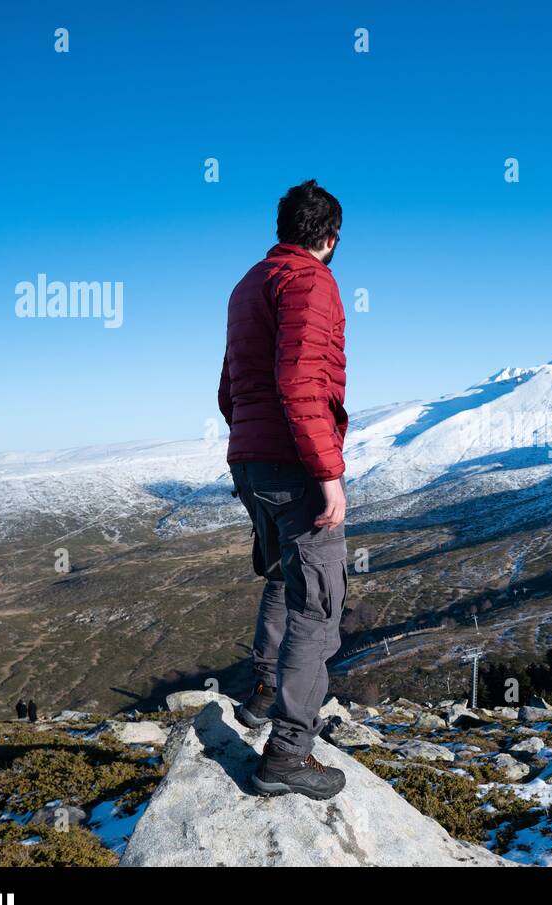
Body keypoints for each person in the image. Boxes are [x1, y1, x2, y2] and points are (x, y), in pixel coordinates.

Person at [218, 180, 350, 800]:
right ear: (329, 238)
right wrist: (325, 473)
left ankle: (266, 692)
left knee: (280, 575)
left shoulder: (248, 285)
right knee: (316, 606)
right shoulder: (311, 282)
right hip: (293, 464)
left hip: (251, 458)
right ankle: (288, 754)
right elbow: (300, 380)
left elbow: (230, 387)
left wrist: (252, 446)